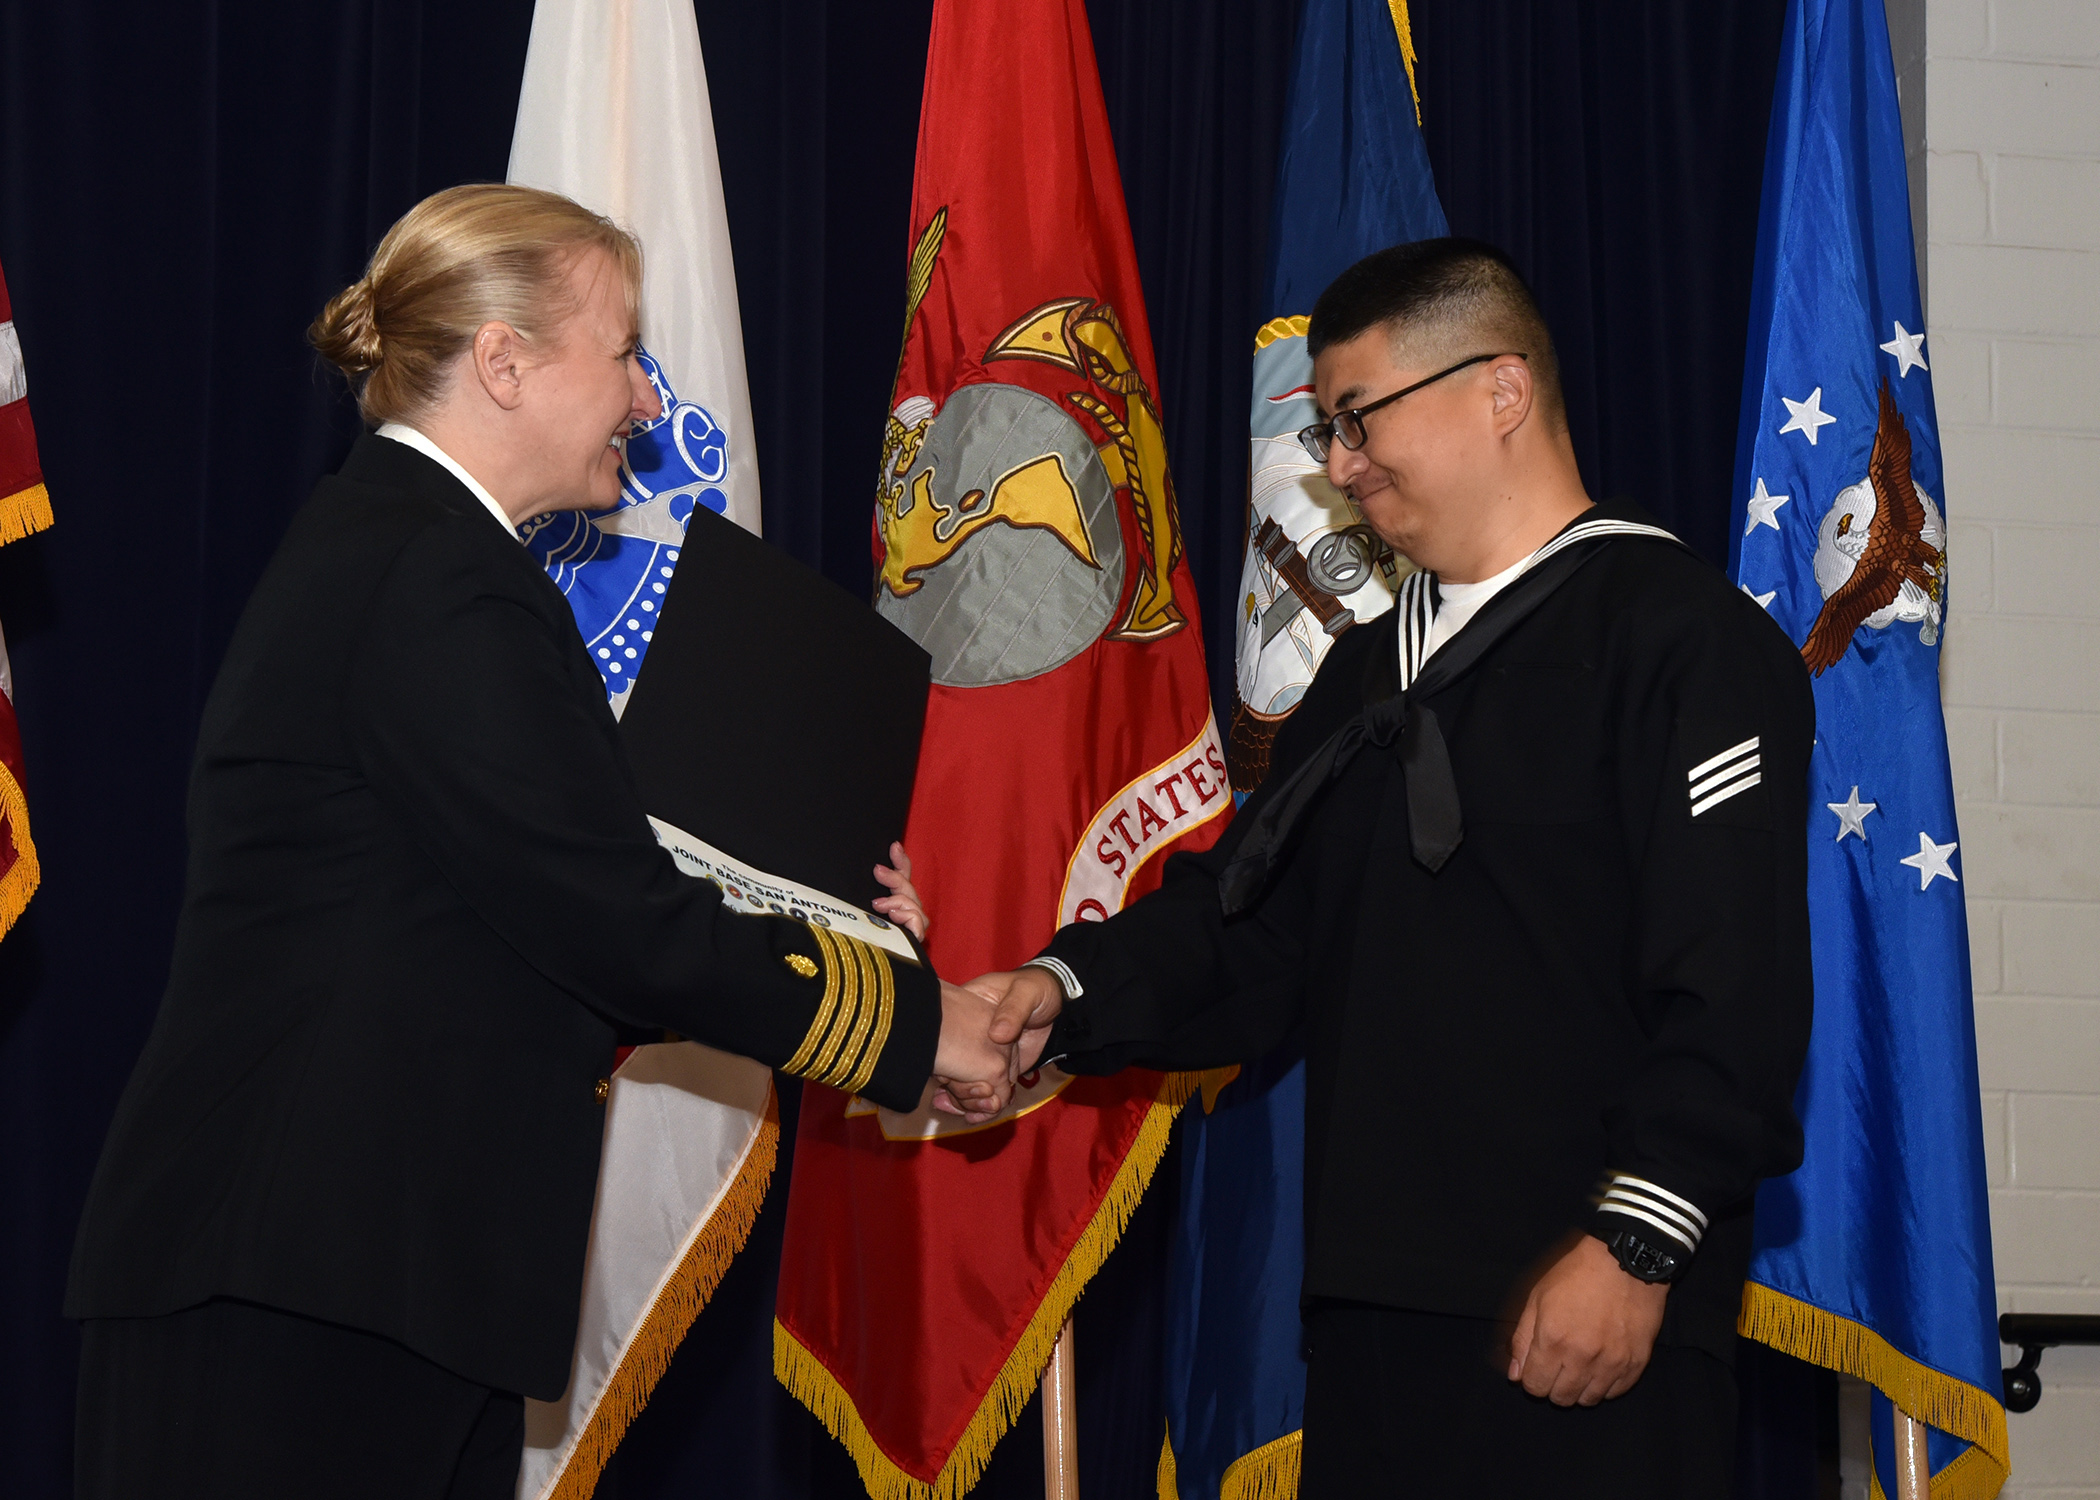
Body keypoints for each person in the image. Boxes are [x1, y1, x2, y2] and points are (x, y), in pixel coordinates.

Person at [65, 184, 1016, 1500]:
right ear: (504, 361)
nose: (643, 397)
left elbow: (542, 899)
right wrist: (919, 1027)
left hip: (360, 1275)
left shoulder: (420, 555)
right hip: (302, 1286)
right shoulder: (433, 574)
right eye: (624, 351)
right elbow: (615, 920)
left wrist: (841, 924)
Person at [966, 239, 1815, 1496]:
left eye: (1359, 421)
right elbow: (1251, 934)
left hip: (1588, 1317)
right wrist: (1062, 991)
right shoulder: (1365, 671)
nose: (1340, 467)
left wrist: (1636, 1248)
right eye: (1327, 434)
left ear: (1502, 393)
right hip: (1374, 1321)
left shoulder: (1685, 642)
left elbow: (1733, 993)